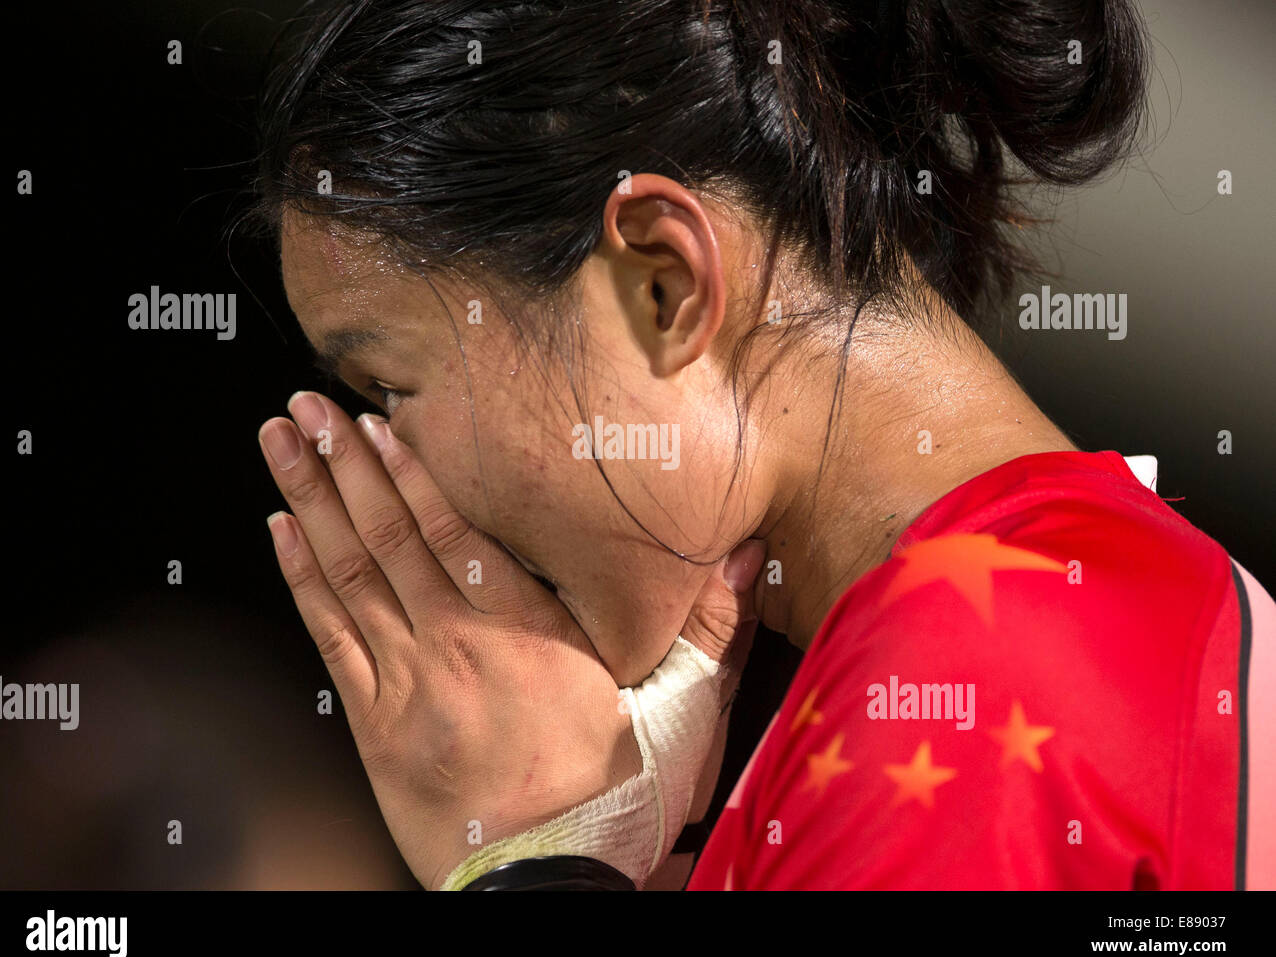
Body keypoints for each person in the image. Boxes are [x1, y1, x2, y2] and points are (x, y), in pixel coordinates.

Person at [249, 0, 1273, 889]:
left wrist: (530, 868)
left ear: (662, 283)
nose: (395, 472)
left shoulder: (962, 679)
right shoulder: (1022, 620)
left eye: (391, 384)